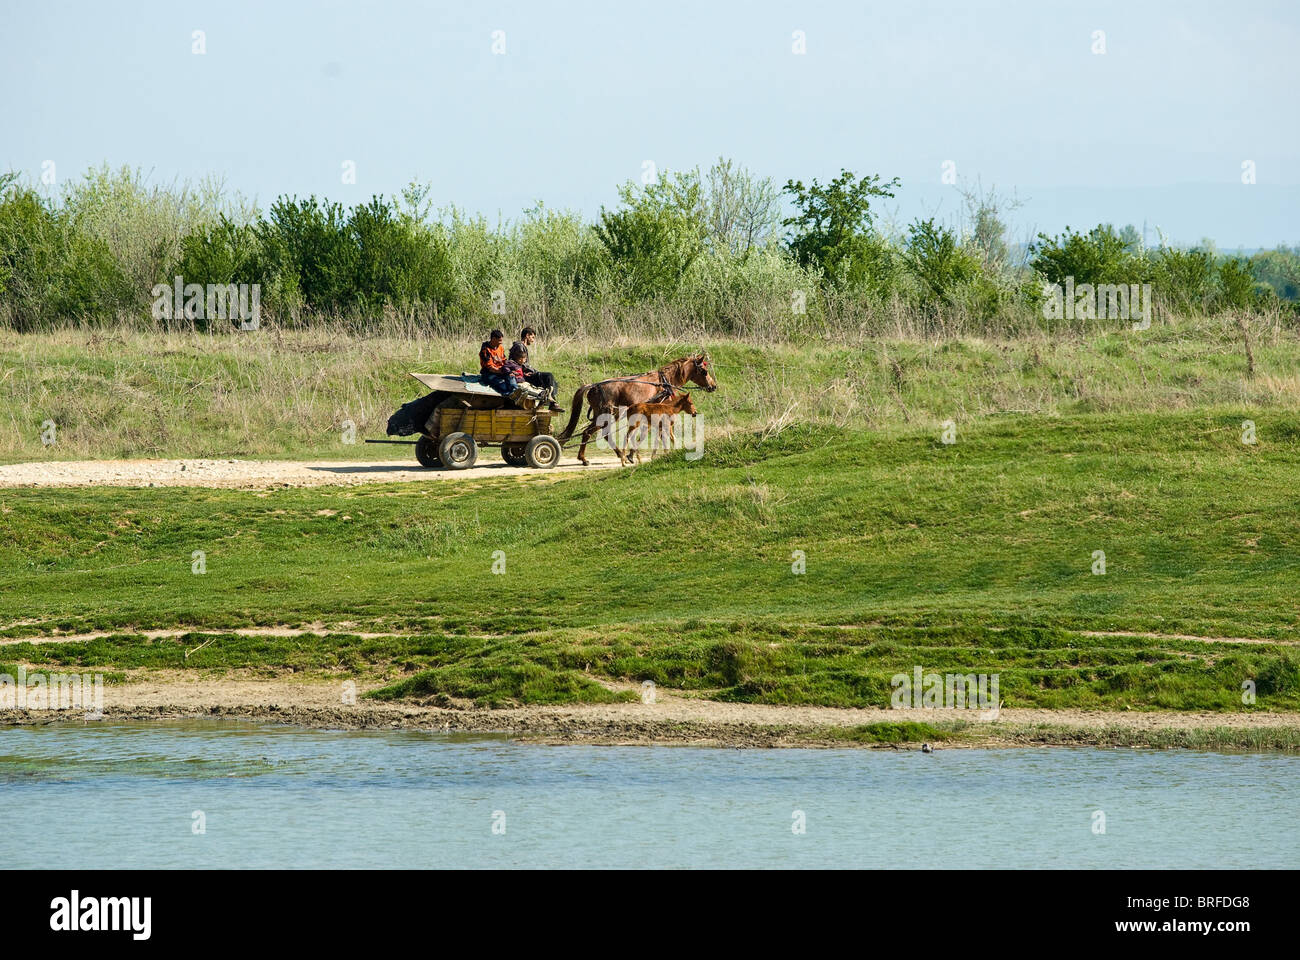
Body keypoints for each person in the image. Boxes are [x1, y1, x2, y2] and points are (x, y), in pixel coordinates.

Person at [508, 326, 564, 412]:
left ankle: (547, 400)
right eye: (532, 337)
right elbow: (518, 363)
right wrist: (528, 372)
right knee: (548, 376)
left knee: (553, 382)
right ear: (527, 336)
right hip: (520, 376)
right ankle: (552, 403)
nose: (533, 340)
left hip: (523, 373)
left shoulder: (520, 346)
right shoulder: (519, 346)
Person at [478, 329, 516, 396]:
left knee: (511, 378)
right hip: (488, 373)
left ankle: (515, 392)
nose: (501, 343)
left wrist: (509, 370)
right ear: (493, 339)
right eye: (499, 341)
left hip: (500, 371)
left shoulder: (500, 347)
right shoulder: (485, 350)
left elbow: (504, 360)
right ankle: (509, 394)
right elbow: (490, 368)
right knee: (502, 385)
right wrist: (504, 371)